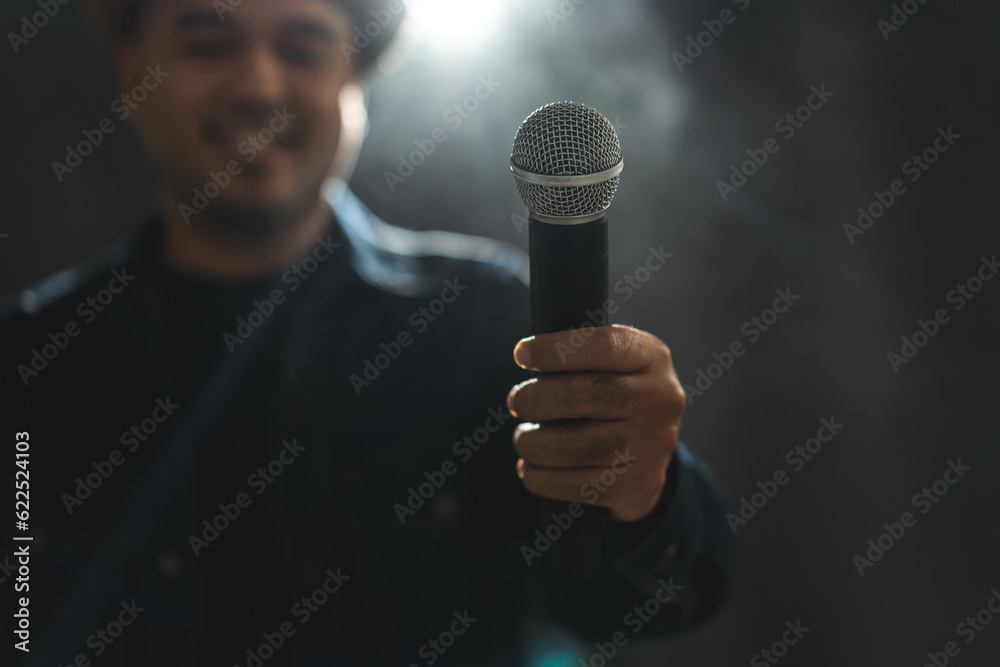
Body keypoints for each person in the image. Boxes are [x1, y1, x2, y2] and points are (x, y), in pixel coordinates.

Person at [0, 0, 736, 664]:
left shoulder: (481, 322)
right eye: (209, 44)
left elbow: (631, 608)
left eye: (303, 46)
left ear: (359, 77)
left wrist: (643, 496)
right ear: (134, 70)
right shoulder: (27, 363)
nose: (258, 85)